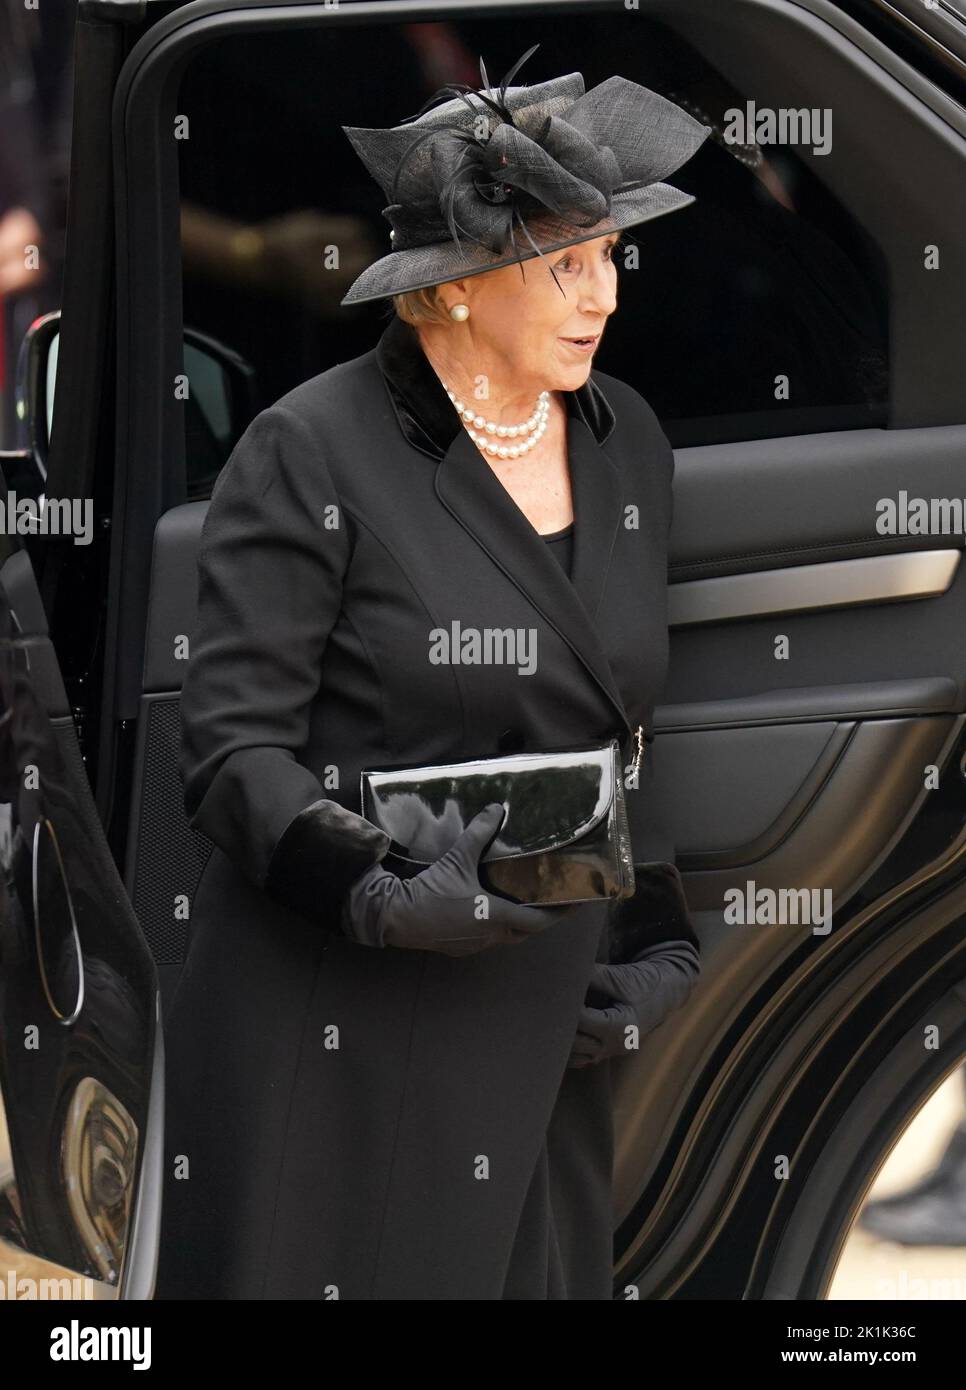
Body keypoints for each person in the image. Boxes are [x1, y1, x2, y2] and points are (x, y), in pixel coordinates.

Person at [156, 45, 708, 1302]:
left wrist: (653, 933)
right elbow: (233, 754)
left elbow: (611, 723)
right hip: (337, 1026)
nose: (603, 294)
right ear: (454, 290)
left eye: (608, 254)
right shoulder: (309, 450)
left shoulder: (629, 443)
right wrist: (375, 892)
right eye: (561, 262)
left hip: (531, 1023)